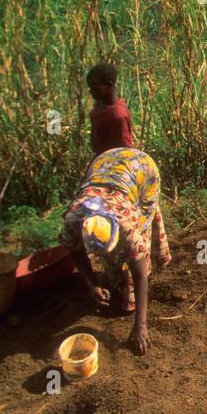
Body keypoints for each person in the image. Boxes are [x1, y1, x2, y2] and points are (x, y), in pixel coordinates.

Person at [59, 147, 170, 353]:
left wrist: (140, 326)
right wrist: (91, 283)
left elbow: (140, 275)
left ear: (117, 233)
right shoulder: (74, 219)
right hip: (105, 164)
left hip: (142, 170)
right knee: (116, 260)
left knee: (141, 231)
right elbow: (73, 249)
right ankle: (116, 278)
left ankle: (130, 287)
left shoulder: (128, 230)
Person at [87, 63, 134, 156]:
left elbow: (125, 151)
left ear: (109, 85)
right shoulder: (99, 105)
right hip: (101, 160)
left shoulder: (118, 115)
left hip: (114, 164)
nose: (90, 92)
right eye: (90, 88)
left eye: (95, 88)